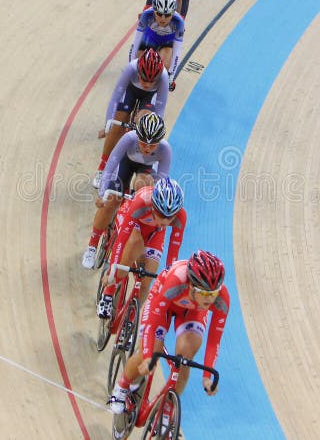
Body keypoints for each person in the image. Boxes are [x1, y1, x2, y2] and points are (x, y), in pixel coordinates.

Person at [108, 250, 229, 419]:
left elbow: (213, 342)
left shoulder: (221, 299)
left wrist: (207, 377)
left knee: (185, 357)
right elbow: (152, 322)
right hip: (163, 302)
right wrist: (149, 355)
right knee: (147, 352)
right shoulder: (176, 281)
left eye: (213, 293)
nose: (209, 299)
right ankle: (121, 387)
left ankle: (167, 410)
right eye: (204, 293)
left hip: (192, 312)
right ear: (191, 286)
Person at [82, 113, 174, 270]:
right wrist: (102, 192)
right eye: (143, 143)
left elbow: (160, 183)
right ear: (138, 136)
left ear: (160, 142)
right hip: (125, 164)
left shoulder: (165, 150)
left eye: (152, 145)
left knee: (144, 184)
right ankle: (92, 245)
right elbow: (112, 163)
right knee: (111, 201)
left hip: (145, 169)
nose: (147, 148)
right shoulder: (129, 138)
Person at [94, 178, 187, 312]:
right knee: (134, 245)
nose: (164, 221)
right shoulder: (141, 202)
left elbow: (173, 254)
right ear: (153, 206)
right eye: (160, 214)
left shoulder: (181, 217)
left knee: (146, 281)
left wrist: (169, 279)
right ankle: (109, 292)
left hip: (155, 232)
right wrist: (112, 270)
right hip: (131, 221)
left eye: (170, 217)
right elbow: (122, 239)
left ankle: (130, 319)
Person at [92, 48, 169, 189]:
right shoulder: (131, 67)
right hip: (131, 92)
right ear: (138, 72)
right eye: (143, 78)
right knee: (118, 122)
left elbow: (160, 110)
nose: (146, 83)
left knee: (146, 117)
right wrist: (109, 122)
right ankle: (103, 166)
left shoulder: (164, 76)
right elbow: (116, 95)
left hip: (149, 98)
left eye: (151, 81)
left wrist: (152, 132)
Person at [128, 0, 185, 86]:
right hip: (149, 39)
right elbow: (136, 42)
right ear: (154, 11)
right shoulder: (146, 14)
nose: (163, 18)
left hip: (166, 43)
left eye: (167, 15)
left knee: (165, 68)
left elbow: (177, 51)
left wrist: (171, 76)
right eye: (159, 14)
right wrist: (130, 66)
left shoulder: (179, 21)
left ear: (173, 13)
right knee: (138, 64)